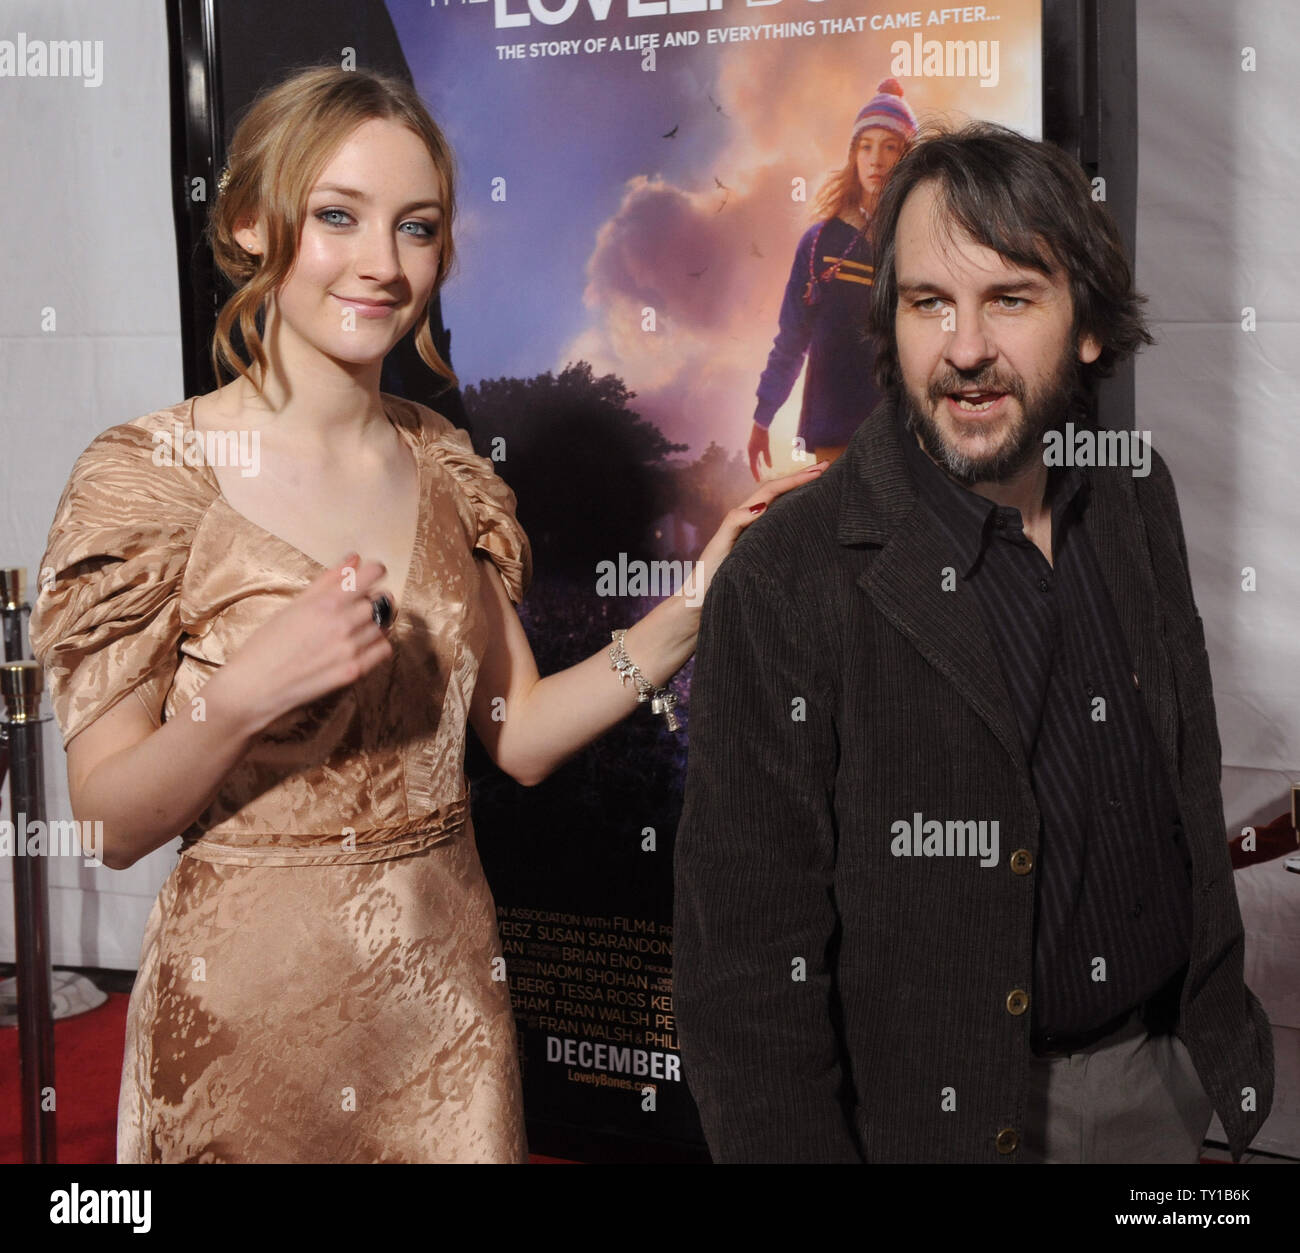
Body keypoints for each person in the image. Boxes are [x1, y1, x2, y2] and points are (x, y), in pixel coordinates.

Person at [28, 65, 822, 1164]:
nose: (381, 264)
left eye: (417, 227)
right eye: (337, 217)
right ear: (255, 224)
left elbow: (525, 735)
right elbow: (110, 824)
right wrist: (241, 699)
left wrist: (697, 604)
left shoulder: (450, 469)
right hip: (242, 1025)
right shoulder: (147, 479)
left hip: (444, 1008)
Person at [674, 122, 1274, 1163]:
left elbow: (1175, 784)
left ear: (1085, 323)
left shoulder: (1136, 496)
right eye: (927, 304)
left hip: (1159, 1085)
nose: (963, 348)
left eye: (1009, 298)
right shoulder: (792, 574)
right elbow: (743, 977)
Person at [748, 78, 917, 479]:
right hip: (834, 425)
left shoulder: (919, 237)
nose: (876, 159)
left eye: (890, 146)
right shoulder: (820, 242)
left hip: (906, 428)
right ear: (853, 154)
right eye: (866, 146)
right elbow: (791, 339)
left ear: (905, 156)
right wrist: (762, 417)